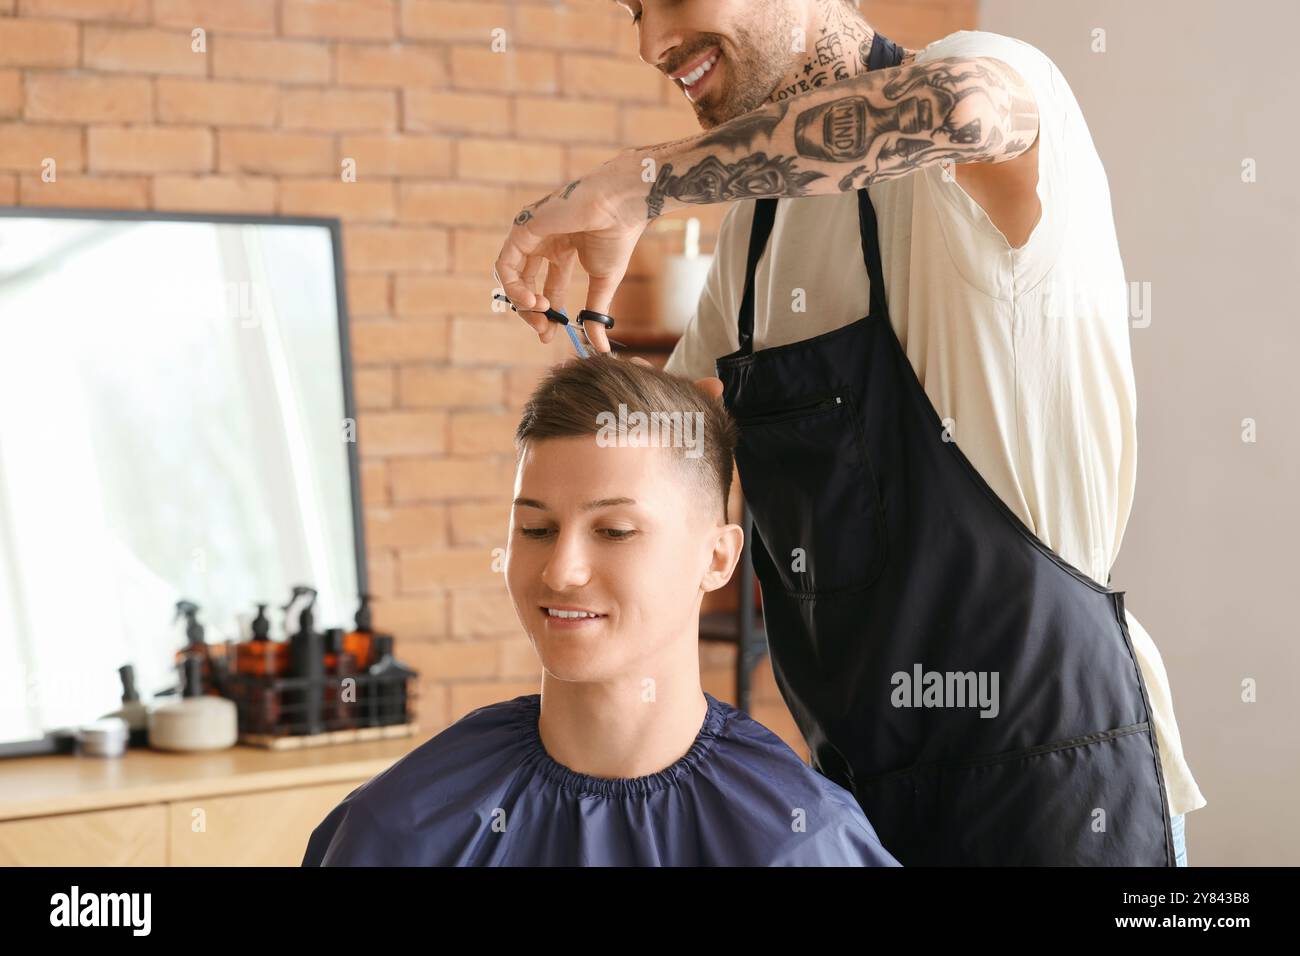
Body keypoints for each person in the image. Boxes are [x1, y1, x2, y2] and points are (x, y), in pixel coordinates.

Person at [492, 0, 1203, 864]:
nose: (650, 42)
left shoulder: (984, 85)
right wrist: (587, 376)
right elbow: (662, 454)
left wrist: (642, 180)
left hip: (1053, 782)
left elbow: (960, 109)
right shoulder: (754, 235)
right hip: (855, 794)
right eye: (635, 12)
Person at [303, 354, 900, 867]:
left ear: (717, 558)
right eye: (535, 528)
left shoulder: (801, 842)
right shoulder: (400, 828)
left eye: (614, 531)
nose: (561, 570)